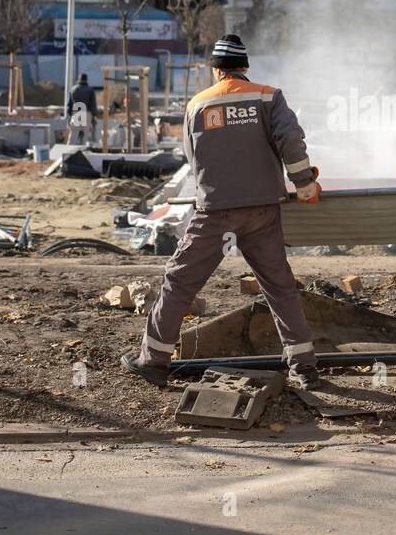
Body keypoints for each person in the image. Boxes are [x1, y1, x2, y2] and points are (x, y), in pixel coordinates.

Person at [121, 34, 324, 389]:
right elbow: (290, 140)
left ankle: (153, 361)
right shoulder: (268, 96)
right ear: (244, 68)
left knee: (180, 283)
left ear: (216, 71)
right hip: (263, 210)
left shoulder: (197, 105)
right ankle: (304, 368)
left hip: (215, 212)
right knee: (279, 287)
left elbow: (193, 158)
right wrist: (304, 182)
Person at [67, 73, 97, 145]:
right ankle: (85, 152)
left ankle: (68, 151)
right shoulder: (90, 90)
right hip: (87, 113)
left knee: (73, 134)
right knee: (86, 135)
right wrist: (94, 116)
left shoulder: (73, 89)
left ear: (79, 79)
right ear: (86, 80)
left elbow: (69, 105)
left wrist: (69, 115)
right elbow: (93, 104)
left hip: (76, 112)